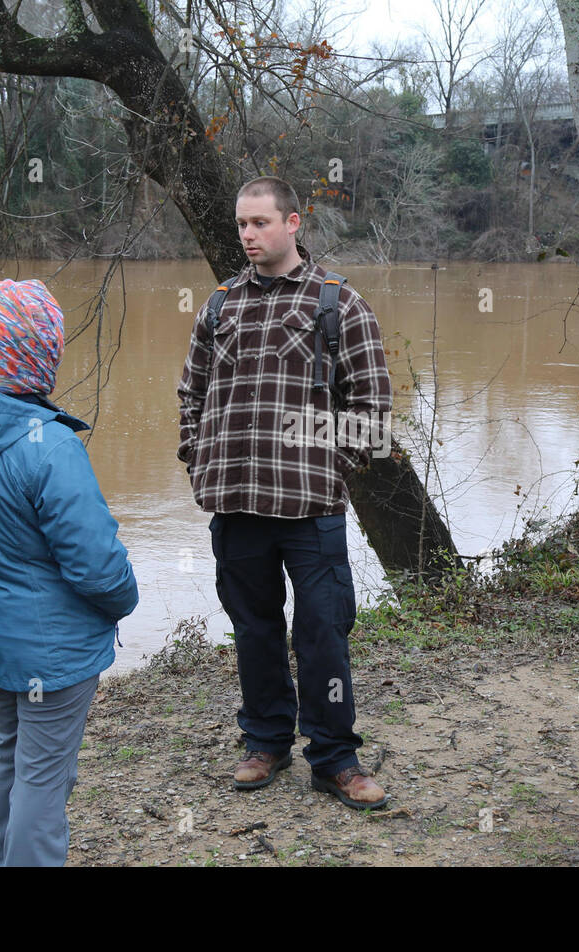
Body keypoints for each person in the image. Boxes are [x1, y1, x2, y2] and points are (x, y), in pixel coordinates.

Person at [176, 176, 393, 809]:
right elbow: (190, 392)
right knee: (254, 628)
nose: (248, 235)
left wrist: (331, 469)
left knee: (323, 630)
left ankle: (334, 757)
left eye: (260, 223)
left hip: (310, 509)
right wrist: (198, 455)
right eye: (241, 224)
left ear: (293, 223)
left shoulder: (337, 303)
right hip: (236, 502)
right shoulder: (220, 305)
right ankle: (265, 741)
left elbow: (373, 408)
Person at [0, 278, 139, 864]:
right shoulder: (50, 445)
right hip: (55, 651)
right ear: (34, 353)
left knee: (9, 754)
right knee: (43, 778)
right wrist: (124, 602)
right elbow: (96, 566)